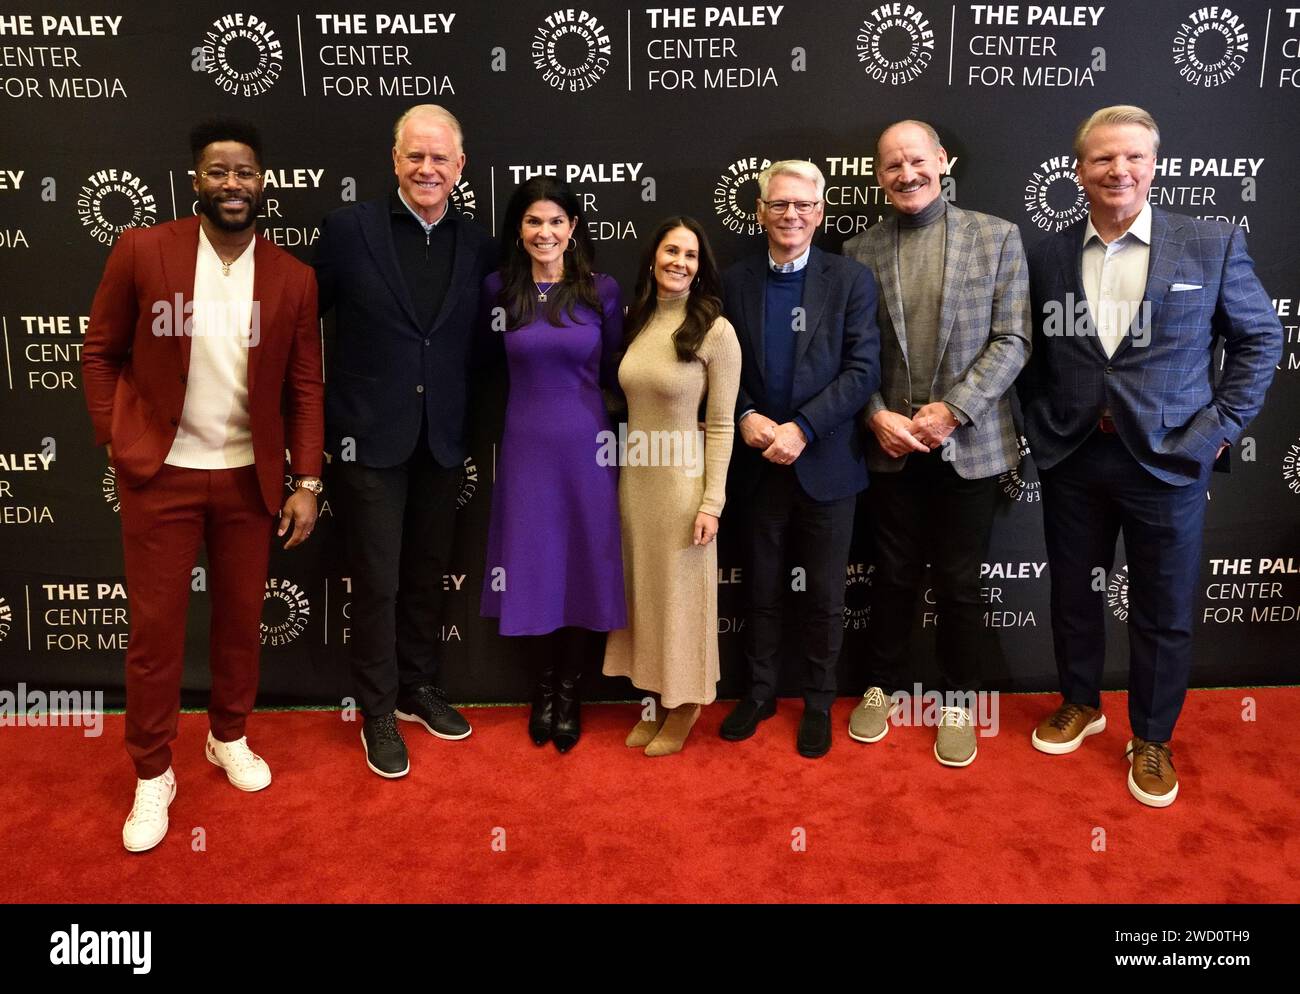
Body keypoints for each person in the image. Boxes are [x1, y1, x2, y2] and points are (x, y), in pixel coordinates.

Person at [1020, 105, 1282, 807]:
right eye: (1103, 159)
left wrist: (1215, 430)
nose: (1119, 171)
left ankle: (1153, 737)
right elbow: (1026, 351)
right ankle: (1081, 701)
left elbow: (1260, 339)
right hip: (1072, 457)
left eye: (1133, 157)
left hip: (1168, 462)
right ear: (1079, 170)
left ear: (1155, 164)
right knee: (1074, 596)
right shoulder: (1042, 251)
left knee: (1163, 610)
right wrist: (1041, 427)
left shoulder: (1211, 243)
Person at [82, 118, 324, 852]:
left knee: (239, 623)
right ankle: (153, 771)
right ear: (196, 180)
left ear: (263, 182)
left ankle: (228, 735)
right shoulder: (143, 250)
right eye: (218, 172)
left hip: (250, 482)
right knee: (155, 636)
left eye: (245, 172)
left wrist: (306, 479)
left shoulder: (293, 277)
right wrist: (115, 434)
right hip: (164, 477)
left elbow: (306, 386)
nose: (232, 184)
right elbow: (100, 352)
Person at [313, 104, 496, 779]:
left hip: (443, 441)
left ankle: (419, 687)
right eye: (415, 155)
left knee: (425, 576)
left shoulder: (479, 244)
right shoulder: (346, 231)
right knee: (379, 584)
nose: (427, 168)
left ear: (459, 168)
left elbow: (481, 344)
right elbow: (303, 329)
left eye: (440, 158)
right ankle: (379, 710)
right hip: (368, 443)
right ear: (394, 161)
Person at [842, 120, 1031, 767]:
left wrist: (953, 411)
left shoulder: (997, 236)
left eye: (916, 160)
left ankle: (958, 699)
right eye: (892, 165)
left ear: (943, 161)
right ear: (879, 177)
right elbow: (852, 355)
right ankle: (883, 686)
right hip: (891, 449)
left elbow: (1014, 340)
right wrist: (874, 416)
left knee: (959, 580)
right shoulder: (859, 249)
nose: (906, 173)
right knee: (891, 576)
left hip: (970, 446)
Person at [718, 160, 881, 759]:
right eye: (779, 204)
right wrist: (746, 416)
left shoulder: (851, 280)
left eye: (803, 206)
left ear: (820, 212)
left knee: (824, 597)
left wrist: (805, 428)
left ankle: (817, 701)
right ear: (760, 212)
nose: (791, 215)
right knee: (759, 589)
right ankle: (759, 694)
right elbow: (715, 364)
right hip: (758, 464)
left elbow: (863, 370)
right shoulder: (733, 282)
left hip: (827, 465)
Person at [480, 177, 626, 753]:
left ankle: (571, 692)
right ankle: (542, 689)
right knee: (533, 565)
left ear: (572, 229)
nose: (545, 232)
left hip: (589, 449)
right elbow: (482, 365)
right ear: (519, 231)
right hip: (525, 450)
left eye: (556, 221)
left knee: (584, 565)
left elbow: (619, 367)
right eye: (534, 222)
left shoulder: (601, 291)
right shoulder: (498, 291)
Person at [602, 217, 741, 756]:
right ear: (653, 259)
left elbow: (723, 423)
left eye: (690, 254)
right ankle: (657, 698)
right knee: (646, 596)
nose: (679, 262)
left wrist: (712, 501)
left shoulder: (716, 330)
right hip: (636, 480)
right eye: (670, 251)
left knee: (682, 597)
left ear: (701, 266)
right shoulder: (636, 321)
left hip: (685, 485)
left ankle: (686, 705)